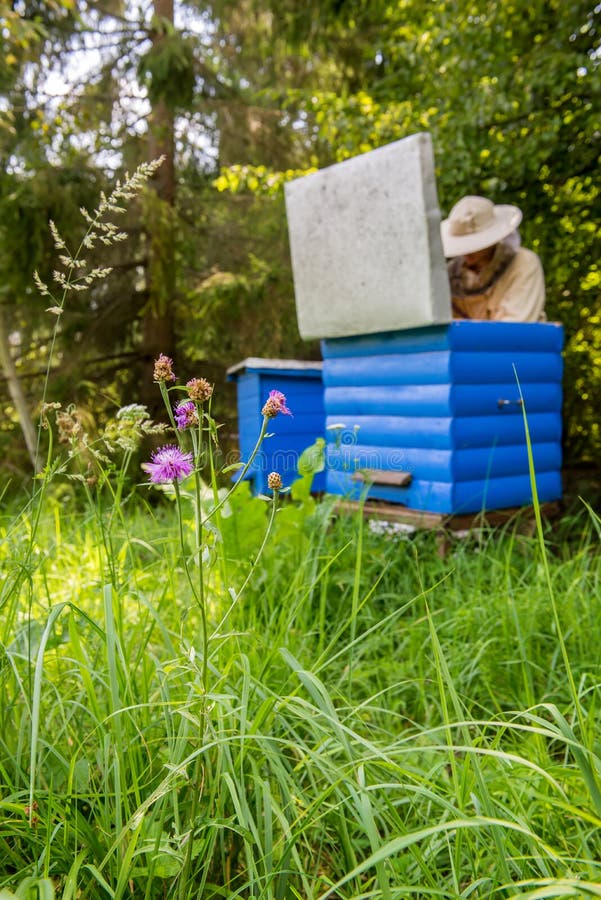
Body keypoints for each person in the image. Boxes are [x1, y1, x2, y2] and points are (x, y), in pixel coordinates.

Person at [440, 194, 546, 322]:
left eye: (475, 244)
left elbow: (515, 328)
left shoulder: (523, 263)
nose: (468, 251)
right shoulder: (448, 276)